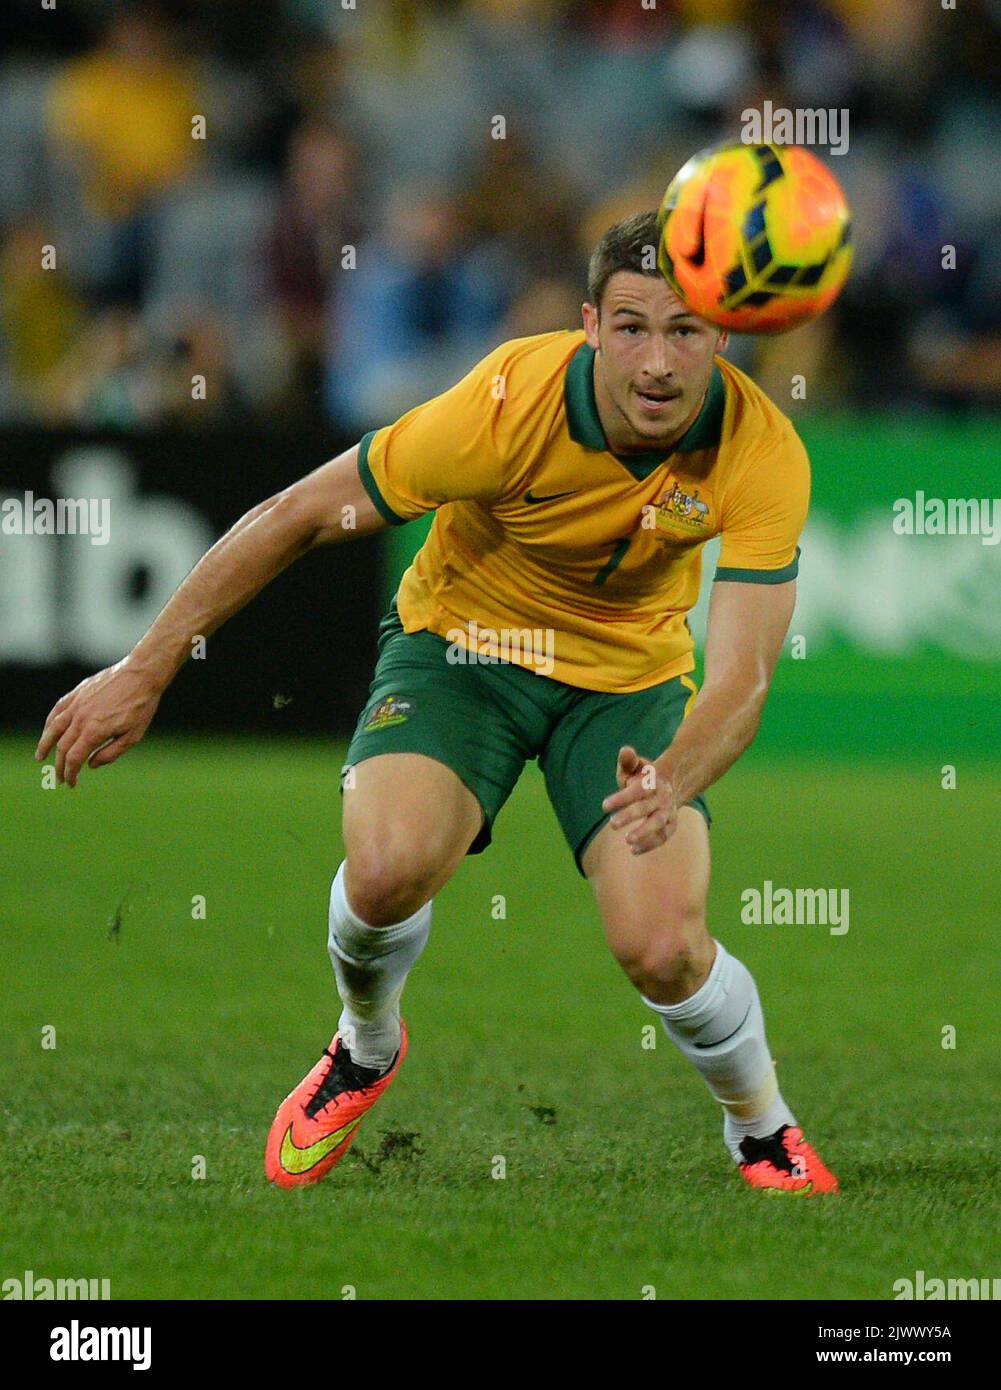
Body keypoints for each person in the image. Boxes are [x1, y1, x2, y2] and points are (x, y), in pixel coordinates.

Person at [37, 210, 839, 1196]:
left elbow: (742, 678)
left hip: (626, 679)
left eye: (684, 331)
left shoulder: (762, 450)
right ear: (589, 325)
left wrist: (671, 779)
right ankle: (365, 1043)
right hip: (464, 647)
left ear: (721, 335)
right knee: (383, 873)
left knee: (664, 947)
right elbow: (292, 516)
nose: (658, 361)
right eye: (631, 326)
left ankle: (759, 1126)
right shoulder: (503, 406)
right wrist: (143, 668)